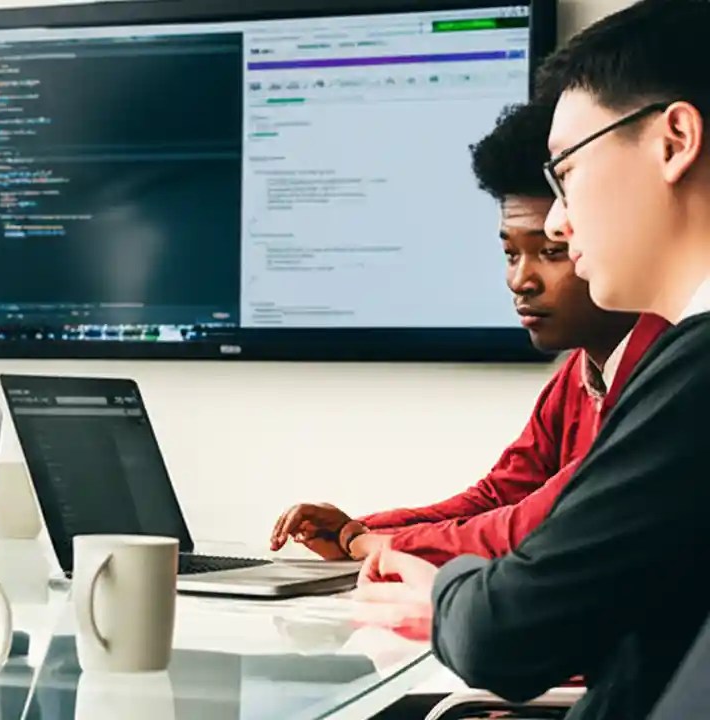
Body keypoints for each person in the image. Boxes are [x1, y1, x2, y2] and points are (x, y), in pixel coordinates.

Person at [360, 0, 710, 717]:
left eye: (568, 171)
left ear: (674, 140)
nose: (557, 219)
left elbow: (507, 633)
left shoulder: (696, 371)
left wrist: (443, 585)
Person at [269, 102, 668, 566]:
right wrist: (360, 530)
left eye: (552, 251)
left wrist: (374, 545)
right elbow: (498, 497)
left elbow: (536, 523)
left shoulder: (665, 366)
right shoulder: (580, 372)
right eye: (510, 254)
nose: (521, 280)